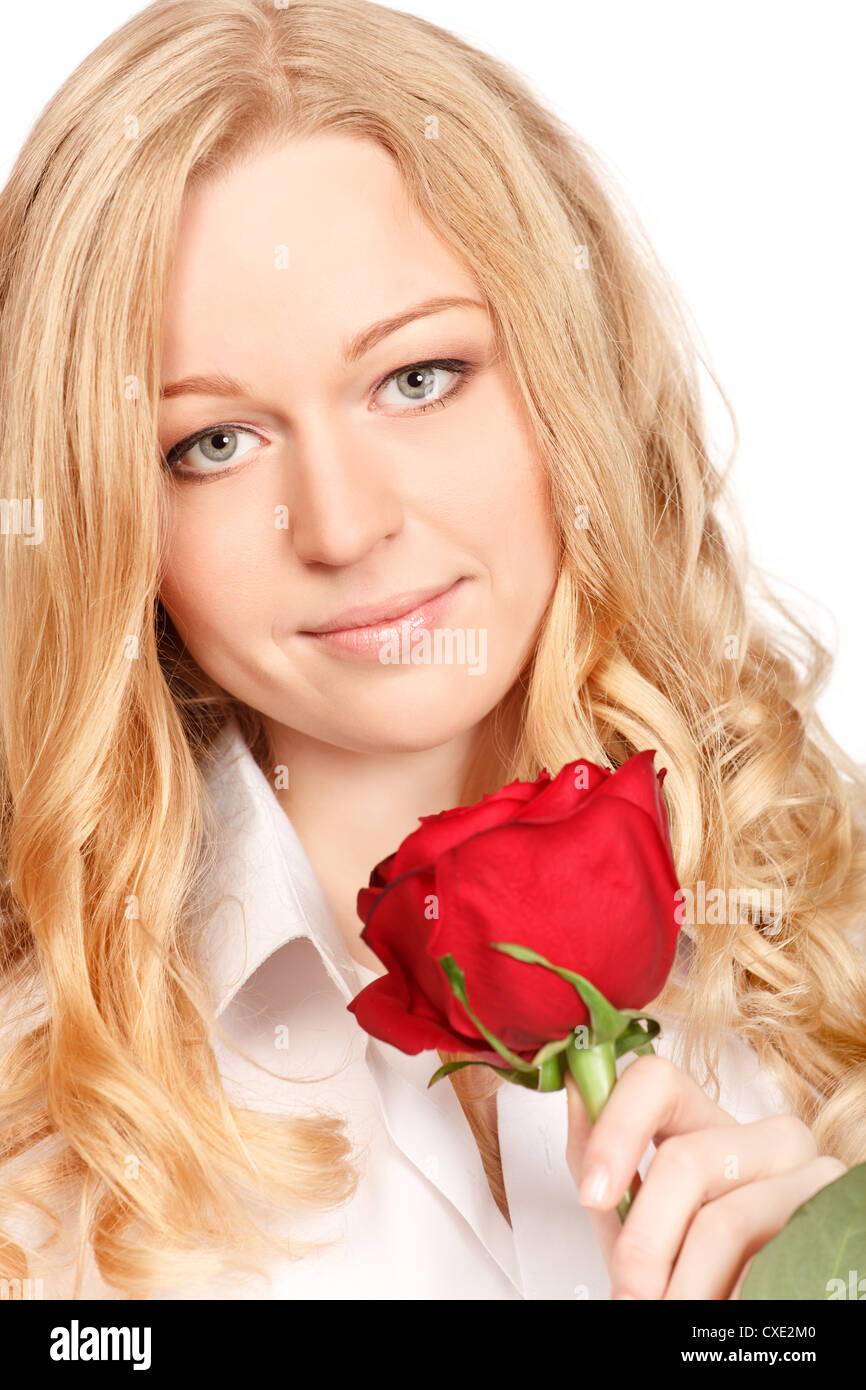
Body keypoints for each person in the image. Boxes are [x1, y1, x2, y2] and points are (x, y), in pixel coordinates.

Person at [1, 0, 864, 1301]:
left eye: (417, 377)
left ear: (572, 375)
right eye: (212, 444)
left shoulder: (826, 948)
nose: (346, 526)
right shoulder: (34, 1128)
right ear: (112, 517)